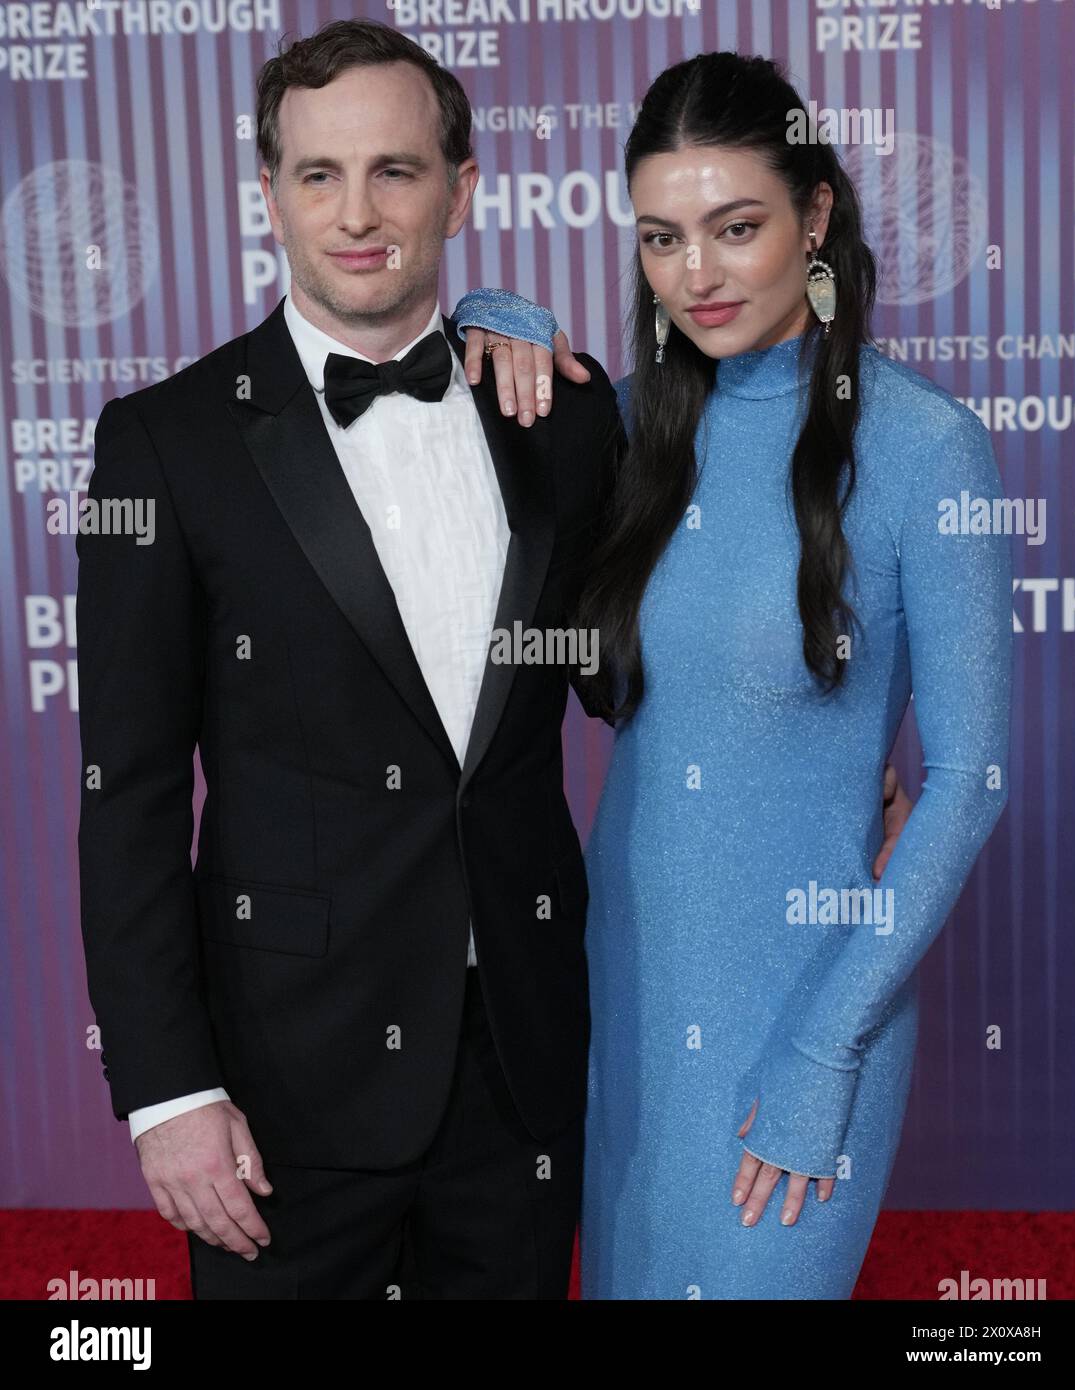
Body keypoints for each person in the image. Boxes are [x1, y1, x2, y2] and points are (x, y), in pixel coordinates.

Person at [75, 17, 624, 1300]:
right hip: (282, 1086)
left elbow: (627, 674)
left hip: (519, 1070)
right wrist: (168, 1090)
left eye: (395, 170)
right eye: (318, 173)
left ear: (461, 190)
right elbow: (129, 793)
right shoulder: (166, 444)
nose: (357, 213)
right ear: (270, 194)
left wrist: (842, 755)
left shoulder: (557, 410)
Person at [451, 50, 1012, 1299]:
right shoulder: (625, 427)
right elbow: (430, 453)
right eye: (661, 238)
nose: (694, 273)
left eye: (735, 227)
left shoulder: (925, 447)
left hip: (811, 1008)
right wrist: (486, 319)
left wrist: (823, 1051)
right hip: (625, 993)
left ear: (814, 215)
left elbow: (969, 779)